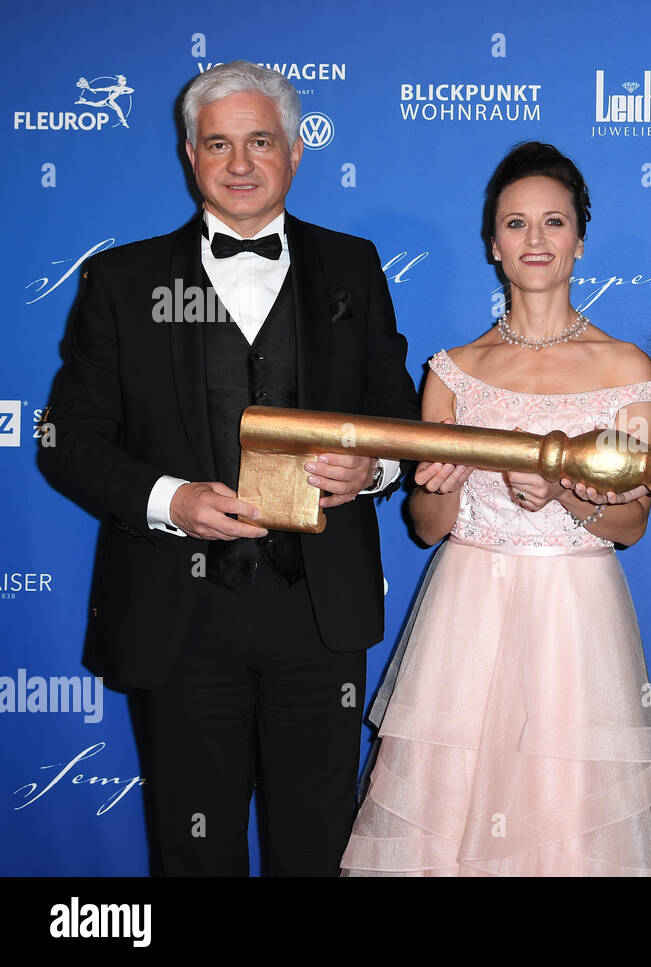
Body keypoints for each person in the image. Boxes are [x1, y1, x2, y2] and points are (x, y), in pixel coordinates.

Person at [38, 61, 420, 875]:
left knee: (315, 849)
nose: (240, 163)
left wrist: (374, 470)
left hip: (318, 615)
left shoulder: (352, 267)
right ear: (188, 153)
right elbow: (67, 439)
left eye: (260, 141)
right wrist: (172, 499)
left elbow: (400, 421)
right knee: (192, 852)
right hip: (179, 616)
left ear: (296, 152)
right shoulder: (123, 279)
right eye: (219, 143)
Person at [340, 142, 651, 876]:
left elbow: (634, 524)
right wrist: (447, 480)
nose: (535, 240)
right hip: (467, 611)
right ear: (493, 243)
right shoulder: (453, 369)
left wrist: (563, 493)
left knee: (566, 811)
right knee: (448, 812)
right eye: (516, 224)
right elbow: (427, 527)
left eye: (552, 222)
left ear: (579, 239)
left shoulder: (627, 369)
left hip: (575, 613)